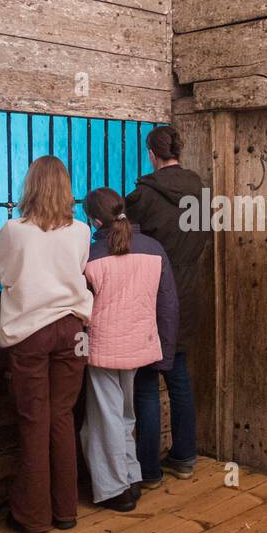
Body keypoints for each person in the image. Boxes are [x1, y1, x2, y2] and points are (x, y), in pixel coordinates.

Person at [0, 156, 93, 533]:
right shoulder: (81, 230)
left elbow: (2, 274)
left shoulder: (13, 230)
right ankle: (65, 510)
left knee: (34, 420)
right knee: (63, 416)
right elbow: (78, 271)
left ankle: (33, 517)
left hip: (31, 330)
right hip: (72, 330)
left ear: (30, 186)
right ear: (66, 189)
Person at [80, 188, 178, 511]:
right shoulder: (154, 249)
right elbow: (168, 304)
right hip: (139, 346)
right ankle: (132, 476)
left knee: (104, 417)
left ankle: (115, 490)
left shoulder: (90, 256)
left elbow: (80, 304)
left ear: (95, 220)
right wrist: (165, 351)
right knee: (125, 414)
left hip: (103, 347)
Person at [125, 125, 210, 486]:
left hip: (152, 294)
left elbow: (127, 246)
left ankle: (148, 471)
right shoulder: (203, 192)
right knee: (178, 375)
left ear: (150, 154)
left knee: (145, 380)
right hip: (189, 293)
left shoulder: (142, 196)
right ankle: (185, 456)